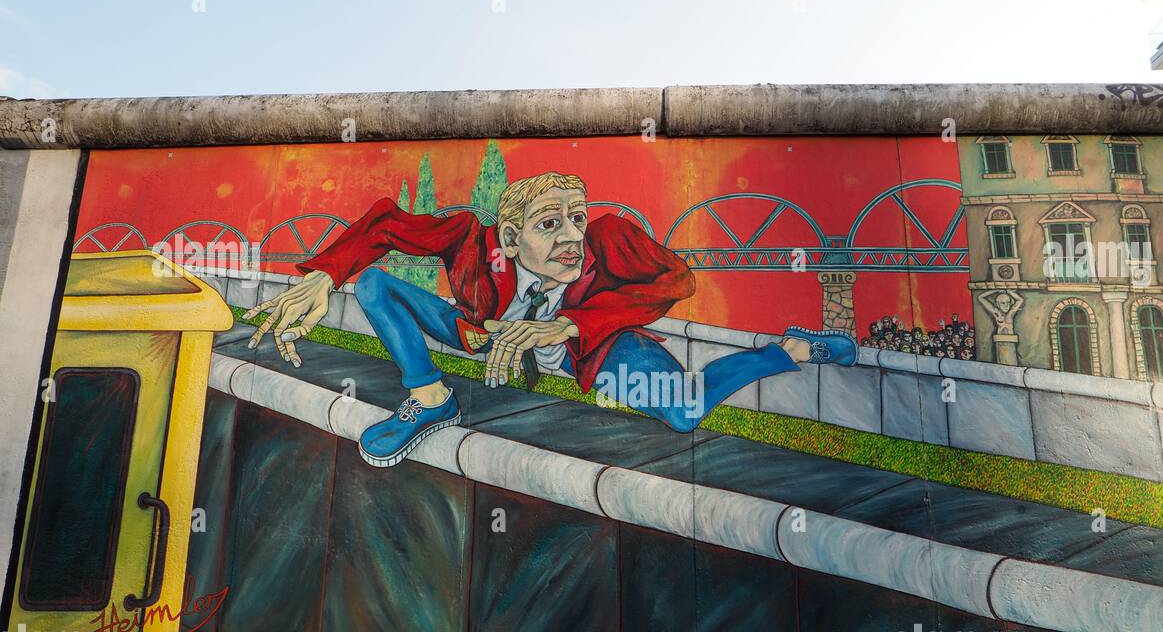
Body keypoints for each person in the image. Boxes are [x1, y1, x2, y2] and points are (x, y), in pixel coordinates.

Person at [247, 172, 857, 467]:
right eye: (549, 224)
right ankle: (429, 398)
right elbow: (384, 224)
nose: (571, 236)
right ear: (509, 239)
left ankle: (792, 352)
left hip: (586, 343)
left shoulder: (609, 239)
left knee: (685, 411)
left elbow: (677, 280)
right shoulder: (469, 240)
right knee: (376, 284)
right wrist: (322, 277)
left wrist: (569, 325)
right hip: (484, 337)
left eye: (575, 217)